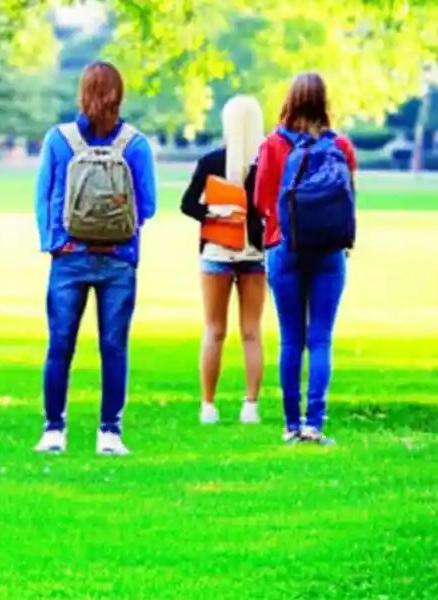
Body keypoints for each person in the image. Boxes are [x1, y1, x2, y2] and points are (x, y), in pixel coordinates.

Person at [33, 61, 157, 456]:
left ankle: (54, 430)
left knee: (60, 346)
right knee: (114, 346)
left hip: (69, 258)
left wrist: (56, 243)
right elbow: (148, 205)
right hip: (119, 258)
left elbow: (43, 197)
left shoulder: (59, 140)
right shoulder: (135, 145)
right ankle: (109, 433)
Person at [254, 72, 357, 446]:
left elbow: (262, 200)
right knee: (321, 339)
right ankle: (315, 422)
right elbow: (349, 198)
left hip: (285, 248)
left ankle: (290, 424)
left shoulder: (273, 145)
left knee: (290, 338)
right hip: (330, 251)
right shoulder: (340, 146)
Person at [179, 95, 266, 425]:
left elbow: (188, 204)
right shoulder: (266, 164)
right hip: (254, 254)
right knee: (252, 332)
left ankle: (208, 406)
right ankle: (250, 406)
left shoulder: (212, 160)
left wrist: (213, 215)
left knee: (214, 330)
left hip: (216, 251)